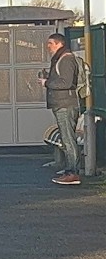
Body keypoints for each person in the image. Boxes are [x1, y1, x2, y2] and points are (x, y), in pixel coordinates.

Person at [41, 33, 81, 186]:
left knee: (68, 139)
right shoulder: (60, 58)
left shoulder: (66, 59)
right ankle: (70, 170)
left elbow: (66, 82)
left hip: (66, 104)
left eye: (50, 43)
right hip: (62, 103)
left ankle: (72, 173)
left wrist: (47, 83)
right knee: (66, 139)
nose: (48, 46)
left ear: (59, 44)